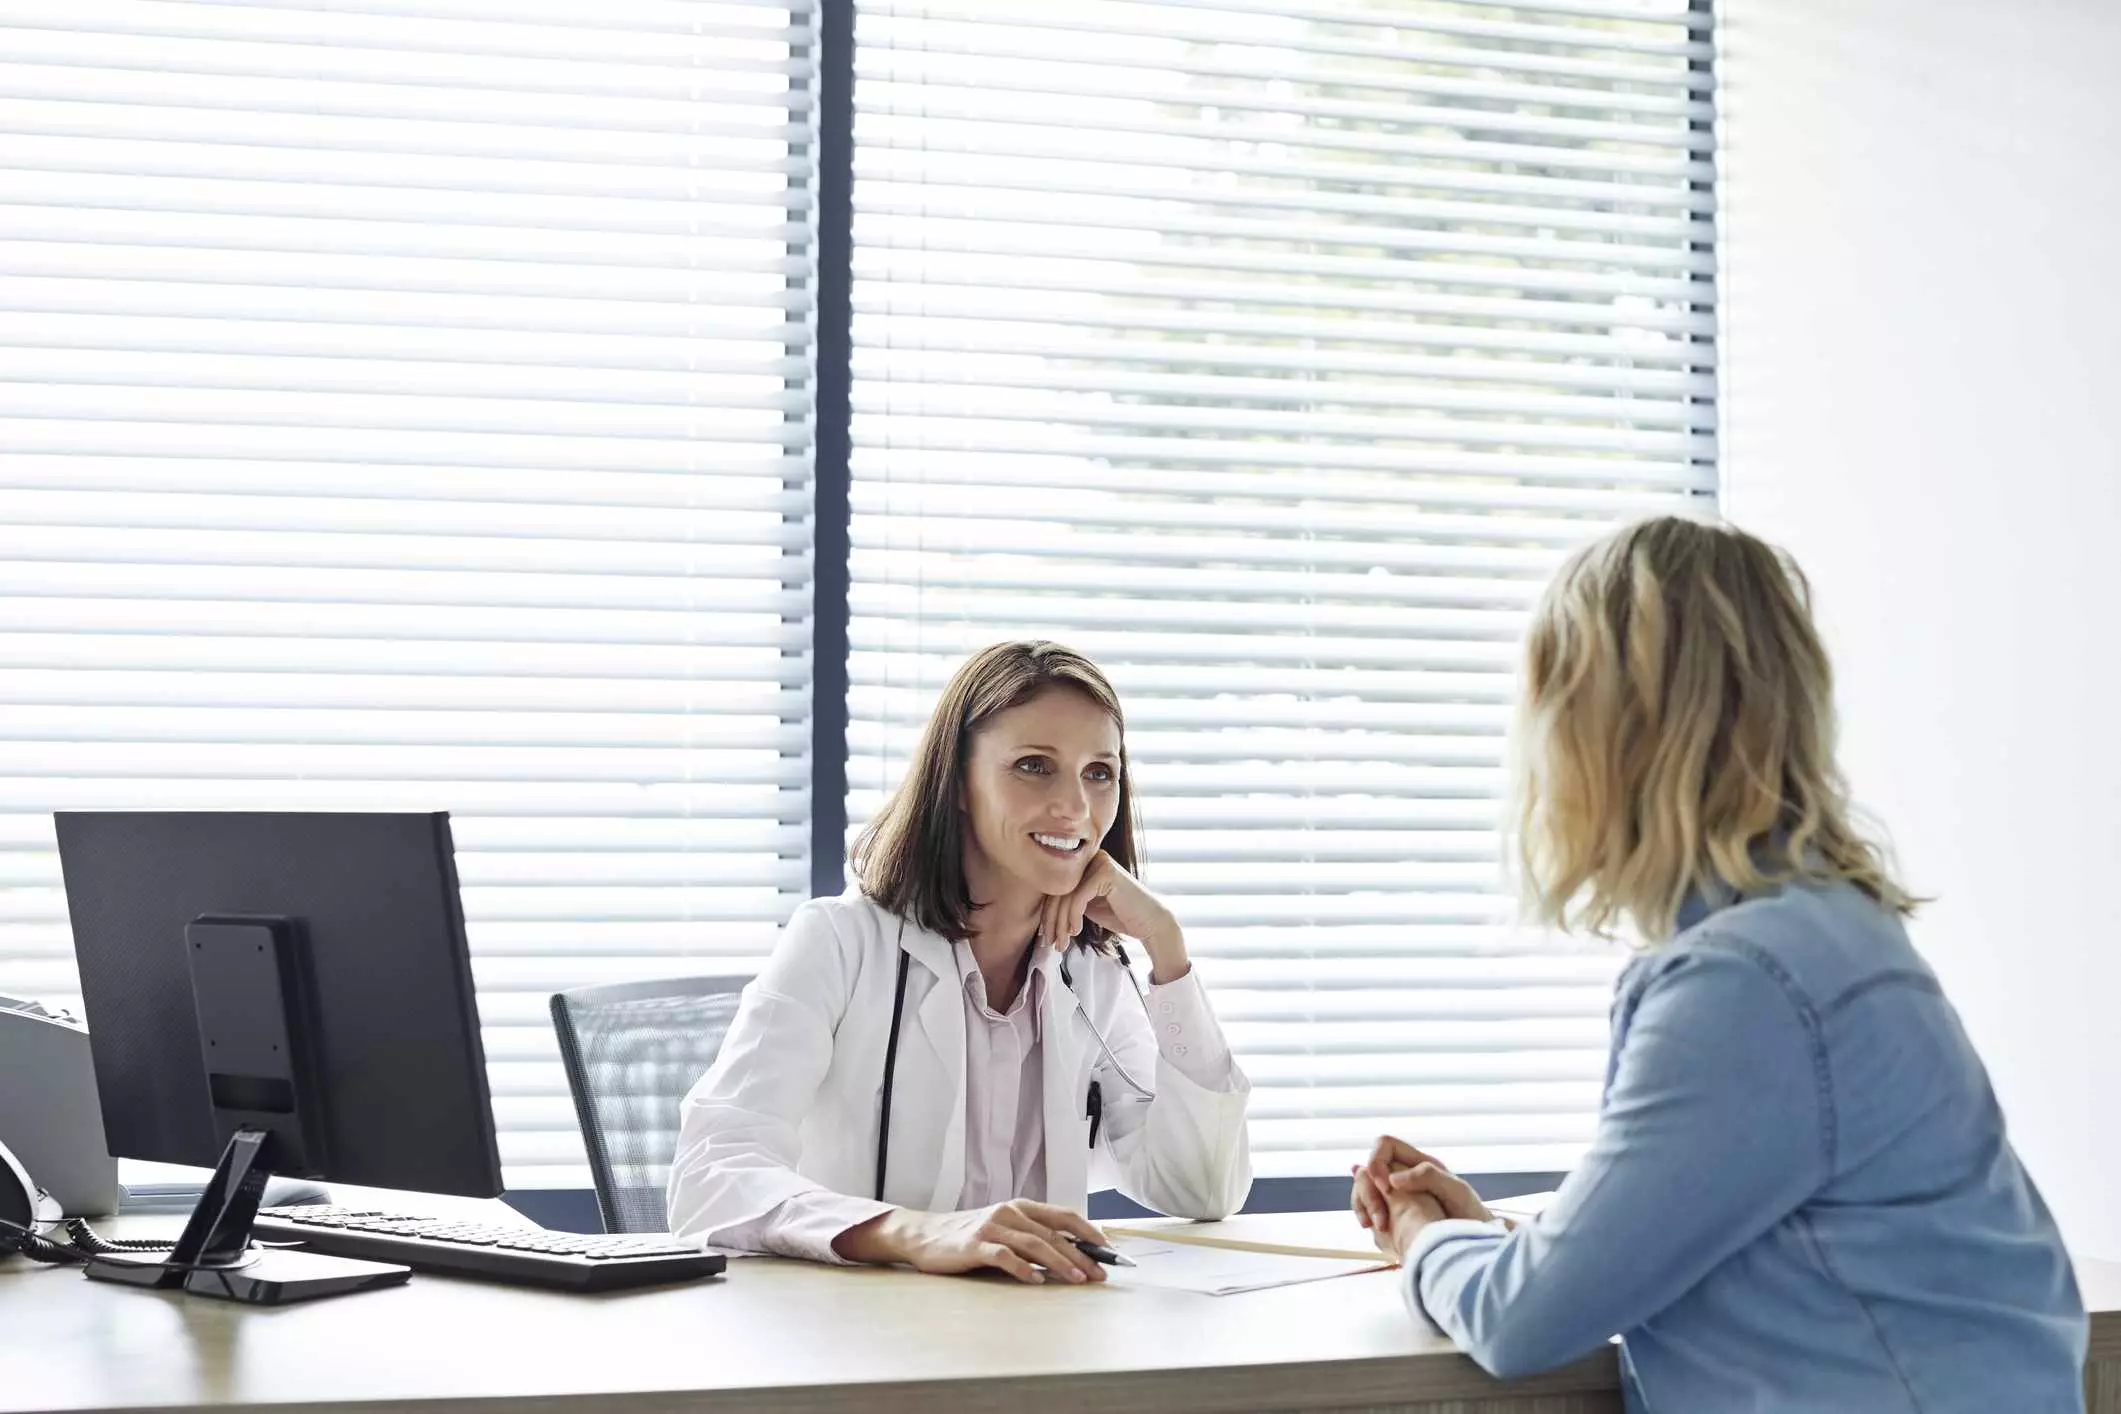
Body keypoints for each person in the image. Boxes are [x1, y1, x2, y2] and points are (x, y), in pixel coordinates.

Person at [1353, 517, 2087, 1409]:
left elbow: (1522, 1323)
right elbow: (1737, 1245)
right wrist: (1504, 1238)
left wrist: (1424, 1239)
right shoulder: (1822, 934)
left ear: (1598, 732)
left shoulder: (1746, 985)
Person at [667, 640, 1252, 1283]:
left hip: (1045, 1337)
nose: (1075, 808)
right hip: (861, 1340)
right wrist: (911, 1231)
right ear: (959, 783)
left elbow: (1202, 1188)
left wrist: (1167, 952)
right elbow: (709, 1174)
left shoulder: (1090, 971)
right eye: (1034, 765)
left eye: (1099, 772)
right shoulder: (838, 942)